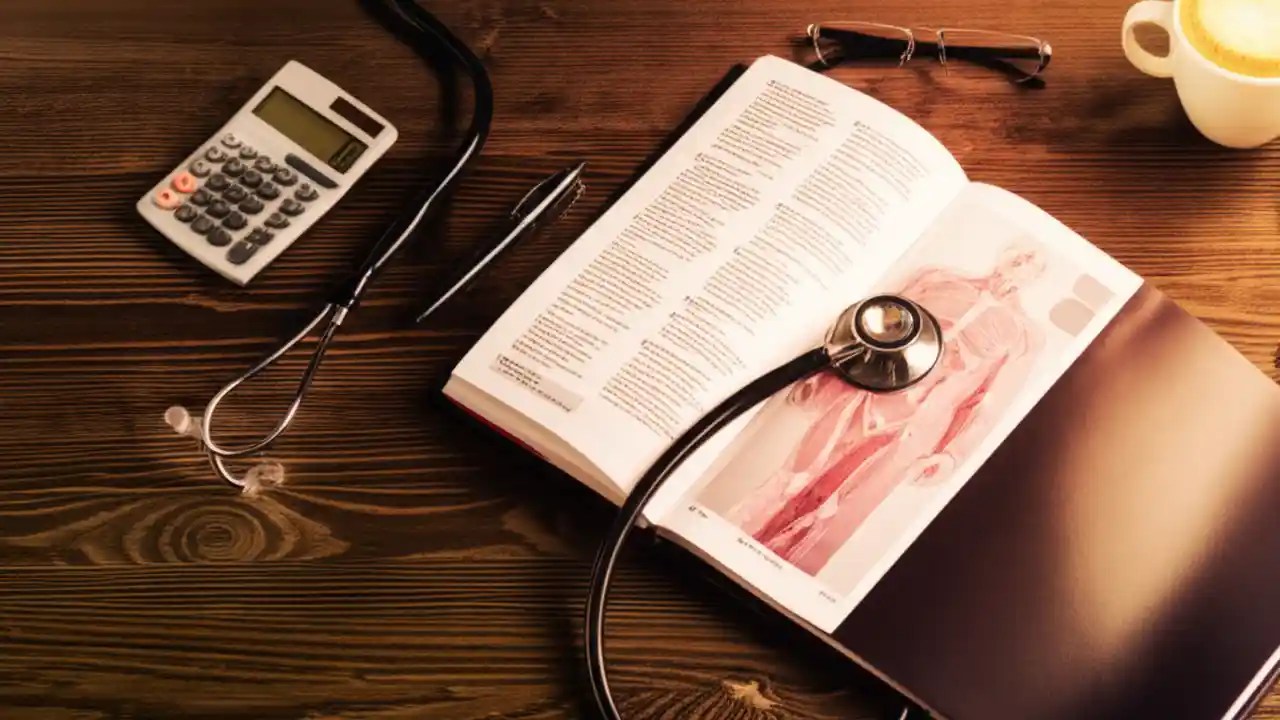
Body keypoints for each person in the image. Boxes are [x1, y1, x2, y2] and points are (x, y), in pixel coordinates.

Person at [723, 245, 1048, 575]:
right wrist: (821, 377)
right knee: (793, 477)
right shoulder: (937, 278)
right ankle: (728, 547)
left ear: (1038, 277)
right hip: (863, 396)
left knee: (837, 508)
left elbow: (988, 402)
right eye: (1019, 254)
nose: (1022, 263)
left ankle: (778, 577)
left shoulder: (1023, 335)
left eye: (1033, 262)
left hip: (913, 429)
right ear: (1003, 253)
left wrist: (951, 454)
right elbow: (867, 328)